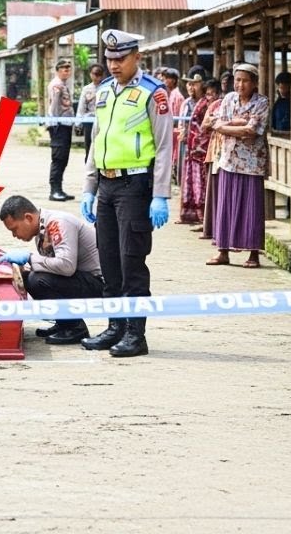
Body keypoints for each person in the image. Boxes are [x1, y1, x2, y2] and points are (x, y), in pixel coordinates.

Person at [79, 29, 172, 358]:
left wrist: (160, 194)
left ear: (137, 58)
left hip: (135, 187)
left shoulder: (153, 94)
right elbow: (96, 142)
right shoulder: (103, 93)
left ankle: (136, 334)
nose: (114, 64)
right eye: (110, 58)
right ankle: (115, 326)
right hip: (106, 184)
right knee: (109, 261)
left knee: (131, 261)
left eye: (121, 58)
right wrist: (89, 188)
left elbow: (163, 147)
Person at [0, 195, 102, 345]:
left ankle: (75, 327)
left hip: (100, 282)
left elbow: (66, 266)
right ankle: (64, 323)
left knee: (37, 280)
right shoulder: (41, 229)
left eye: (15, 229)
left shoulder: (57, 223)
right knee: (28, 277)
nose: (14, 235)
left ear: (28, 218)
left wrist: (30, 258)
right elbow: (50, 266)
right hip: (83, 278)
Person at [205, 62, 270, 268]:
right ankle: (223, 251)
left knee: (251, 208)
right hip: (228, 160)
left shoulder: (262, 102)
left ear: (254, 83)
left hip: (252, 164)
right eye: (237, 80)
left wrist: (228, 125)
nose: (240, 85)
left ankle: (253, 254)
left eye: (245, 81)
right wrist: (239, 123)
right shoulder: (228, 99)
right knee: (225, 206)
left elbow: (252, 130)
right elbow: (214, 124)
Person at [178, 67, 212, 225]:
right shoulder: (186, 103)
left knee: (202, 182)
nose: (191, 87)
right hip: (188, 147)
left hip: (202, 150)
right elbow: (182, 123)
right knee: (188, 179)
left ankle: (203, 216)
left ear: (202, 84)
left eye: (195, 84)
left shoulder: (207, 102)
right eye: (189, 84)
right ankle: (189, 214)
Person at [197, 78, 225, 240]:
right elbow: (205, 125)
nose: (210, 97)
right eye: (208, 94)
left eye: (213, 94)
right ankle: (212, 229)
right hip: (214, 152)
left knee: (219, 193)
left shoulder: (219, 105)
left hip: (224, 155)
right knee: (212, 192)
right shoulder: (213, 106)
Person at [47, 59, 75, 202]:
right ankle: (54, 190)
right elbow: (54, 107)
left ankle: (59, 189)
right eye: (64, 69)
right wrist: (55, 123)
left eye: (68, 69)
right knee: (58, 158)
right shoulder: (57, 85)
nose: (67, 71)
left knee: (63, 158)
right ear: (58, 70)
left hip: (65, 125)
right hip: (59, 126)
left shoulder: (63, 84)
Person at [76, 63, 104, 156]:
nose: (96, 77)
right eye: (94, 74)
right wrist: (78, 123)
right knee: (89, 144)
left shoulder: (106, 87)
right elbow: (81, 107)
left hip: (103, 120)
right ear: (90, 74)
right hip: (89, 120)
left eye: (98, 74)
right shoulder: (86, 89)